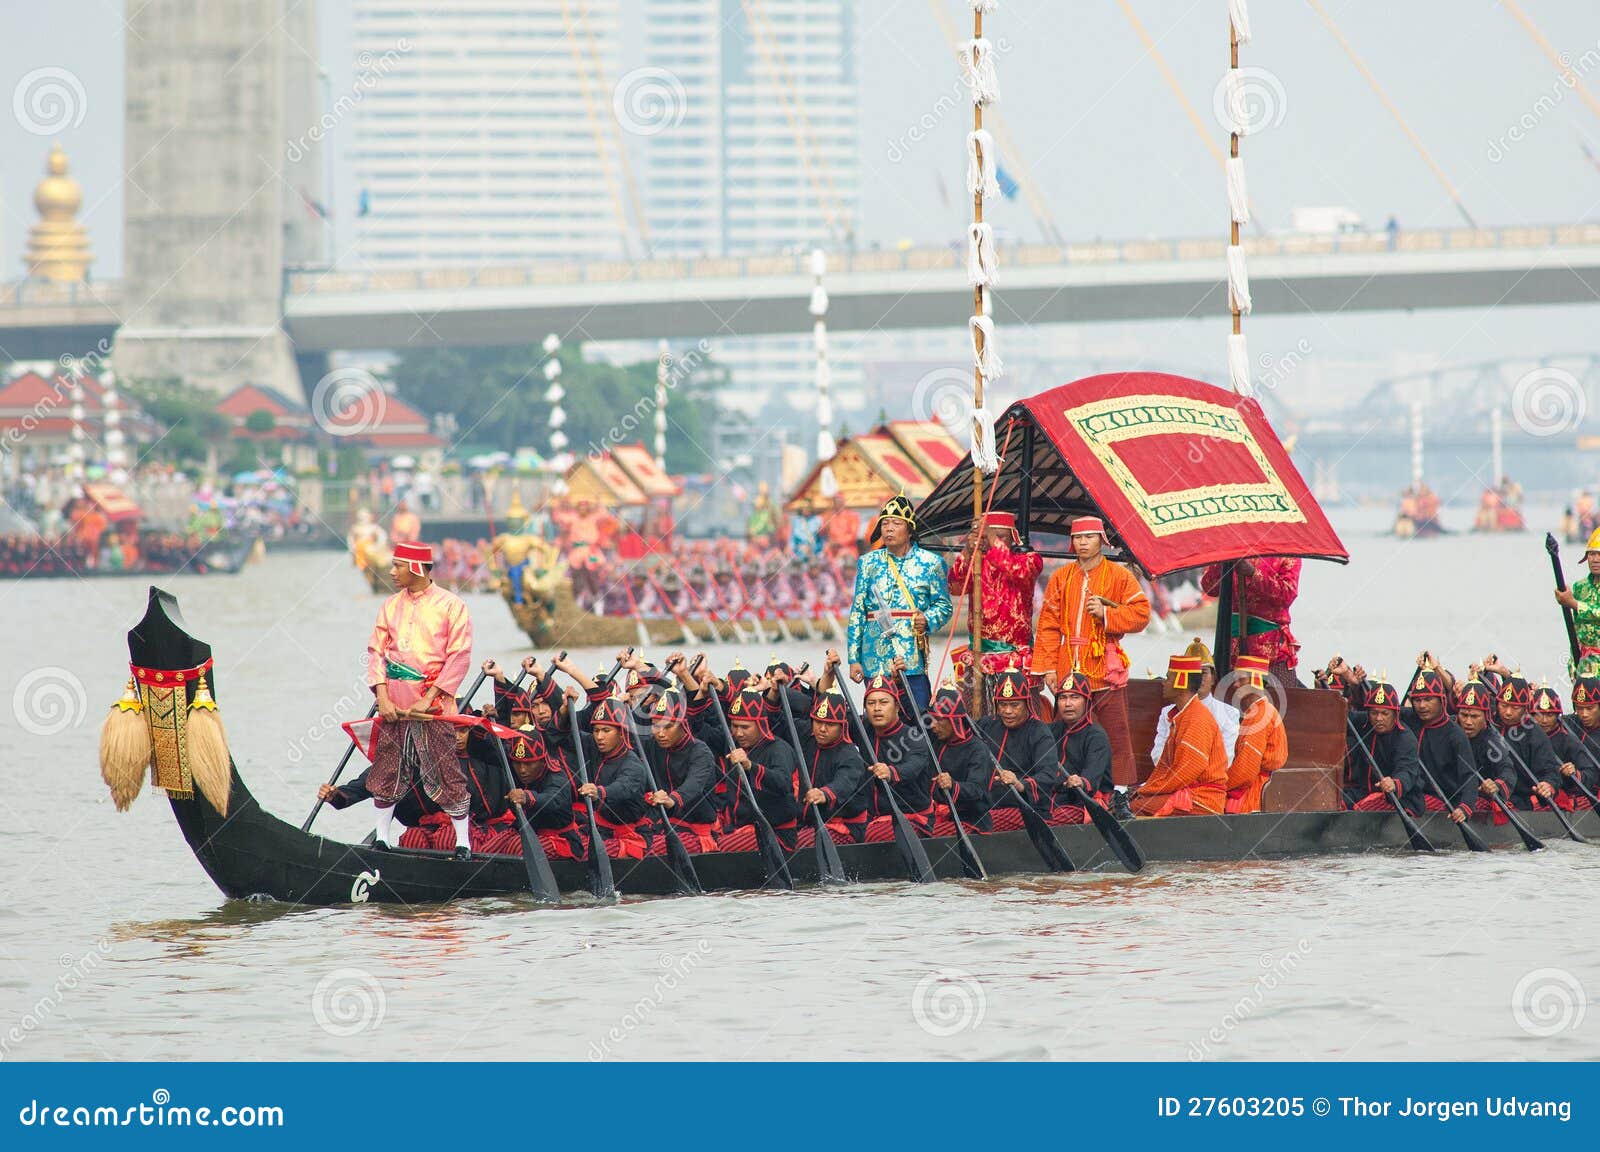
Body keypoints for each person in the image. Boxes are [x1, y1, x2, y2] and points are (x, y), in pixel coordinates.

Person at [363, 541, 475, 857]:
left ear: (416, 568)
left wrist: (429, 699)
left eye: (397, 565)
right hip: (394, 706)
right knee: (387, 769)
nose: (391, 571)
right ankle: (382, 839)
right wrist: (382, 697)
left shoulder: (452, 605)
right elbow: (376, 653)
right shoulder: (389, 606)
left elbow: (459, 656)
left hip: (434, 709)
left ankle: (463, 843)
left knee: (446, 772)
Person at [1031, 515, 1150, 791]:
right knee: (1065, 732)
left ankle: (1118, 792)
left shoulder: (1120, 575)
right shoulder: (1060, 577)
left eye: (1089, 537)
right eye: (1078, 538)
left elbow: (1142, 614)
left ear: (1102, 540)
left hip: (1105, 669)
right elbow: (1048, 625)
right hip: (1068, 669)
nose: (1083, 542)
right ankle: (1062, 787)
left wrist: (1107, 614)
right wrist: (1049, 667)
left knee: (1115, 731)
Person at [845, 492, 952, 712]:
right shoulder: (867, 563)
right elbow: (857, 611)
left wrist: (927, 619)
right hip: (874, 655)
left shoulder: (931, 563)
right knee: (877, 715)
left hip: (910, 656)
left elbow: (944, 606)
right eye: (885, 523)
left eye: (896, 523)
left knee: (917, 715)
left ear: (910, 529)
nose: (889, 529)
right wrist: (853, 658)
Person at [947, 511, 1043, 682]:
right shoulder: (977, 561)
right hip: (978, 656)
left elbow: (1017, 571)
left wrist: (990, 536)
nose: (991, 540)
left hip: (1015, 658)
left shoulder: (1029, 560)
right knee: (972, 700)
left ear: (1013, 538)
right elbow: (955, 588)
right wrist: (967, 551)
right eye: (985, 536)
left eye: (1000, 537)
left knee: (1016, 699)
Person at [1127, 654, 1227, 817]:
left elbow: (1185, 772)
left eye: (1168, 678)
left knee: (1131, 808)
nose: (1164, 682)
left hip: (1202, 799)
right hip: (1186, 792)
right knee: (1131, 802)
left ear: (1181, 682)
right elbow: (1167, 768)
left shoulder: (1197, 718)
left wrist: (1147, 791)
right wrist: (1145, 790)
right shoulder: (1183, 715)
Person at [716, 690, 800, 853]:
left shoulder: (779, 749)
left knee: (723, 848)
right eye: (734, 726)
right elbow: (700, 729)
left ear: (760, 724)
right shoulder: (733, 745)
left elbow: (783, 783)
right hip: (743, 830)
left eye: (745, 727)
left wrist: (750, 766)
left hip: (776, 833)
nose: (738, 733)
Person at [979, 666, 1061, 830]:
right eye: (1003, 705)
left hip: (1023, 807)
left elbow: (1048, 775)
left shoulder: (1040, 732)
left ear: (1026, 703)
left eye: (1014, 705)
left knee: (980, 822)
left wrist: (1020, 784)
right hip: (987, 803)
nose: (1007, 711)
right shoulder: (987, 724)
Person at [642, 686, 721, 854]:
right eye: (656, 726)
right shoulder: (652, 745)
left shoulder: (700, 751)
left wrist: (672, 800)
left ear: (683, 724)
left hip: (696, 828)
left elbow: (694, 785)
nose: (660, 733)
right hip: (663, 823)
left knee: (649, 848)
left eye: (668, 727)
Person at [1201, 557, 1303, 684]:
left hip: (1272, 653)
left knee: (1280, 695)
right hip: (1230, 650)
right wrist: (1224, 560)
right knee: (1224, 693)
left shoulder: (1286, 555)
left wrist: (1253, 574)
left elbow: (1287, 594)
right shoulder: (1231, 552)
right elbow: (1209, 588)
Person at [574, 697, 650, 858]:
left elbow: (623, 787)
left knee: (586, 852)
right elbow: (564, 732)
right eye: (596, 730)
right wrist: (564, 710)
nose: (599, 736)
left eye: (606, 730)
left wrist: (599, 792)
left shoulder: (633, 765)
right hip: (602, 829)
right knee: (573, 845)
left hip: (630, 834)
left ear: (621, 733)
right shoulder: (596, 749)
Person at [797, 688, 873, 843]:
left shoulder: (850, 755)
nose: (822, 729)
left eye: (830, 724)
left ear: (842, 726)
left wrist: (825, 793)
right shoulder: (808, 739)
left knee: (804, 843)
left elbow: (844, 782)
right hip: (811, 823)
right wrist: (774, 692)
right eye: (818, 722)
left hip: (845, 826)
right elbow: (780, 720)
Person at [1344, 675, 1426, 813]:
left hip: (1399, 797)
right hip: (1364, 791)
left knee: (1363, 808)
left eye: (1385, 713)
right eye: (1374, 713)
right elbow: (1340, 716)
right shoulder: (1365, 722)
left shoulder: (1405, 739)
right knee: (1335, 802)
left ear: (1395, 714)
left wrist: (1394, 783)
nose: (1379, 718)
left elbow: (1407, 771)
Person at [1151, 638, 1240, 764]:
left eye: (1203, 673)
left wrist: (1190, 769)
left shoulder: (1229, 713)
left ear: (1213, 678)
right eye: (1194, 675)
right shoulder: (1168, 713)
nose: (1198, 679)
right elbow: (1157, 755)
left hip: (1207, 775)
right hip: (1172, 772)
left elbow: (1225, 758)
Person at [927, 679, 993, 835]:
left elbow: (977, 790)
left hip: (970, 819)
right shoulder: (936, 740)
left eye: (939, 719)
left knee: (930, 834)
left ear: (955, 720)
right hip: (937, 814)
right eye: (932, 719)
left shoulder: (977, 749)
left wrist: (953, 785)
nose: (933, 725)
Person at [1223, 655, 1288, 814]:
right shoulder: (1263, 710)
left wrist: (1219, 785)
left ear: (1256, 681)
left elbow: (1246, 770)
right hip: (1262, 787)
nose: (1236, 684)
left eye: (1241, 679)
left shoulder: (1259, 714)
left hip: (1255, 793)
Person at [1491, 675, 1562, 812]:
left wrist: (1548, 785)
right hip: (1486, 793)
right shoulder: (1487, 725)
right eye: (1504, 705)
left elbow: (1550, 771)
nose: (1508, 712)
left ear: (1525, 707)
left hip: (1520, 799)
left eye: (1515, 707)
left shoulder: (1535, 734)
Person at [1553, 527, 1600, 677]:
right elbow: (1577, 628)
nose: (1595, 559)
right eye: (1592, 554)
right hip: (1584, 664)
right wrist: (1573, 663)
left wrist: (1573, 603)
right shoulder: (1580, 587)